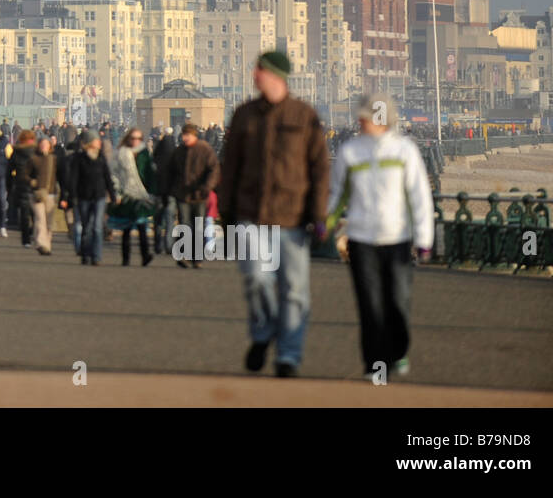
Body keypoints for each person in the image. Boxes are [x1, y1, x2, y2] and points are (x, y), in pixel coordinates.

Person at [219, 51, 330, 379]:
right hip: (250, 215)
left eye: (260, 70)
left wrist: (319, 214)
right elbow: (230, 168)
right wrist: (226, 213)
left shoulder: (303, 115)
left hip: (292, 217)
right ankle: (264, 333)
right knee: (257, 280)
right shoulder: (244, 115)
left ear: (277, 76)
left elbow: (320, 169)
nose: (254, 74)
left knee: (294, 289)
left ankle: (288, 356)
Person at [328, 94, 434, 379]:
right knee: (369, 304)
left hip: (397, 238)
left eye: (367, 117)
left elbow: (419, 197)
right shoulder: (351, 152)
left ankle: (398, 351)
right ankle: (375, 364)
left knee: (398, 301)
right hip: (362, 240)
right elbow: (337, 194)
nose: (361, 122)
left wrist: (424, 239)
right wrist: (326, 223)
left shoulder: (404, 151)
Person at [168, 124, 220, 268]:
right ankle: (183, 254)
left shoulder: (204, 150)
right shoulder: (179, 151)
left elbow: (214, 169)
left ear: (194, 136)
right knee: (184, 224)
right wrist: (169, 190)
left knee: (198, 225)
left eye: (187, 135)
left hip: (199, 194)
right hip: (182, 194)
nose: (185, 138)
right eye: (184, 135)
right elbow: (171, 172)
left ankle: (197, 258)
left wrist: (207, 186)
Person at [66, 130, 116, 265]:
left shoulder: (100, 157)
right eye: (97, 140)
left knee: (97, 227)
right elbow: (74, 179)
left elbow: (107, 177)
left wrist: (112, 195)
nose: (100, 142)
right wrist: (73, 196)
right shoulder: (79, 158)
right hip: (84, 197)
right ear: (90, 142)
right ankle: (86, 253)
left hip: (99, 196)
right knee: (86, 227)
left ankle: (96, 256)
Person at [110, 128, 154, 267]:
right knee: (126, 228)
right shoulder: (120, 154)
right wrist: (116, 193)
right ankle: (126, 258)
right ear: (128, 138)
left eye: (138, 138)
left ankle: (145, 255)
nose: (135, 141)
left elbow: (149, 173)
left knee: (142, 226)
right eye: (133, 138)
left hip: (141, 194)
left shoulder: (144, 154)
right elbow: (114, 174)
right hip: (126, 195)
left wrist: (152, 192)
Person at [25, 136, 59, 255]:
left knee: (49, 222)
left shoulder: (54, 159)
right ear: (38, 145)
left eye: (46, 144)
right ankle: (41, 244)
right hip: (36, 194)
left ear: (50, 146)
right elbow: (25, 175)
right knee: (40, 219)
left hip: (50, 194)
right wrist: (32, 182)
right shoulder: (33, 159)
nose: (44, 145)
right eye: (42, 143)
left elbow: (59, 175)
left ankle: (47, 244)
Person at [7, 130, 38, 247]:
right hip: (36, 185)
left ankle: (26, 240)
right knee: (36, 213)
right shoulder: (37, 151)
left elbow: (8, 171)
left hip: (21, 184)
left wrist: (9, 186)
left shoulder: (16, 152)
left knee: (24, 214)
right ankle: (35, 234)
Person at [151, 127, 177, 254]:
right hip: (171, 193)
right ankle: (168, 245)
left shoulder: (155, 161)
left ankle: (157, 244)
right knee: (170, 220)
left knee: (158, 220)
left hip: (157, 193)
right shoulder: (175, 161)